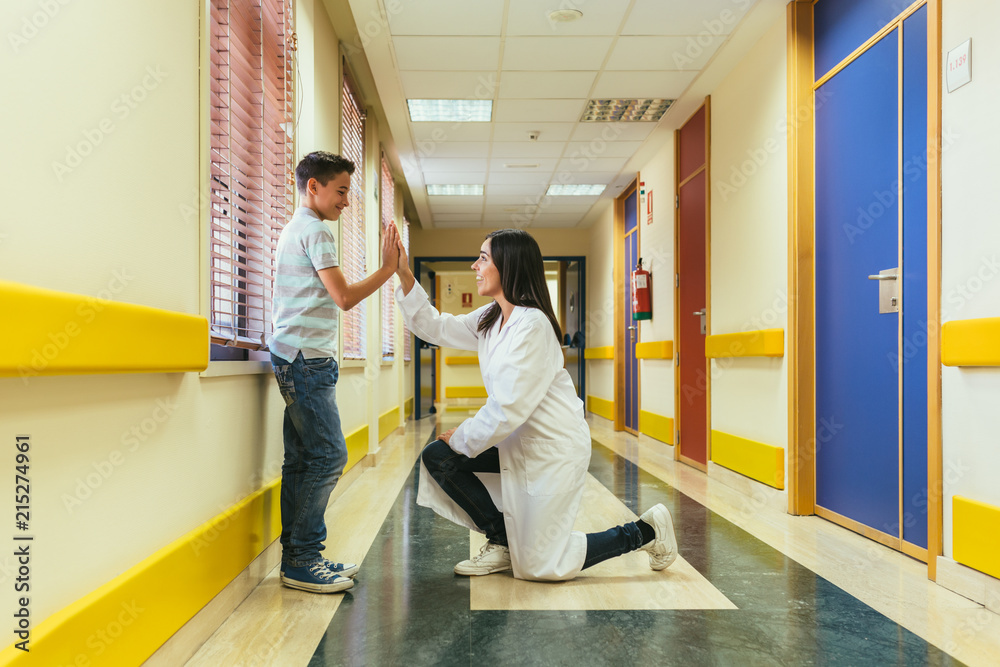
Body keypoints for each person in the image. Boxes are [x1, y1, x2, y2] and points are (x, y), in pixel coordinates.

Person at [393, 228, 678, 581]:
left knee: (541, 566)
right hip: (518, 445)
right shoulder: (491, 318)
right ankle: (502, 542)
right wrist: (404, 273)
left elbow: (508, 407)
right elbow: (436, 327)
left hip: (553, 451)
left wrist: (462, 436)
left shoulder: (533, 326)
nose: (474, 266)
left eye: (483, 258)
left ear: (508, 266)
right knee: (439, 457)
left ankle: (645, 531)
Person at [269, 151, 399, 593]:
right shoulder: (316, 232)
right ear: (314, 187)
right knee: (329, 457)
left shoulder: (294, 229)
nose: (346, 201)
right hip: (306, 361)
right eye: (341, 191)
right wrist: (387, 269)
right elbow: (343, 298)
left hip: (293, 356)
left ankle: (297, 557)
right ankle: (303, 558)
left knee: (302, 460)